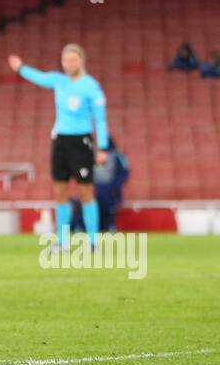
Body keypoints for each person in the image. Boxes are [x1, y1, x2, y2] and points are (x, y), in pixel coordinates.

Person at [8, 43, 109, 247]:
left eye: (73, 60)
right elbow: (40, 77)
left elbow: (100, 119)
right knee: (60, 191)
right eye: (66, 60)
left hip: (81, 142)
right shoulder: (59, 81)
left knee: (85, 191)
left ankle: (92, 241)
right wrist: (21, 68)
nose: (69, 64)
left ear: (81, 61)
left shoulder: (91, 86)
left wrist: (103, 147)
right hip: (60, 142)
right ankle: (62, 241)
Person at [93, 140, 129, 233]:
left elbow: (124, 173)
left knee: (109, 210)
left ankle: (110, 227)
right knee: (95, 209)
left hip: (111, 191)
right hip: (96, 189)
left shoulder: (117, 156)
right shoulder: (95, 155)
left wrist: (113, 186)